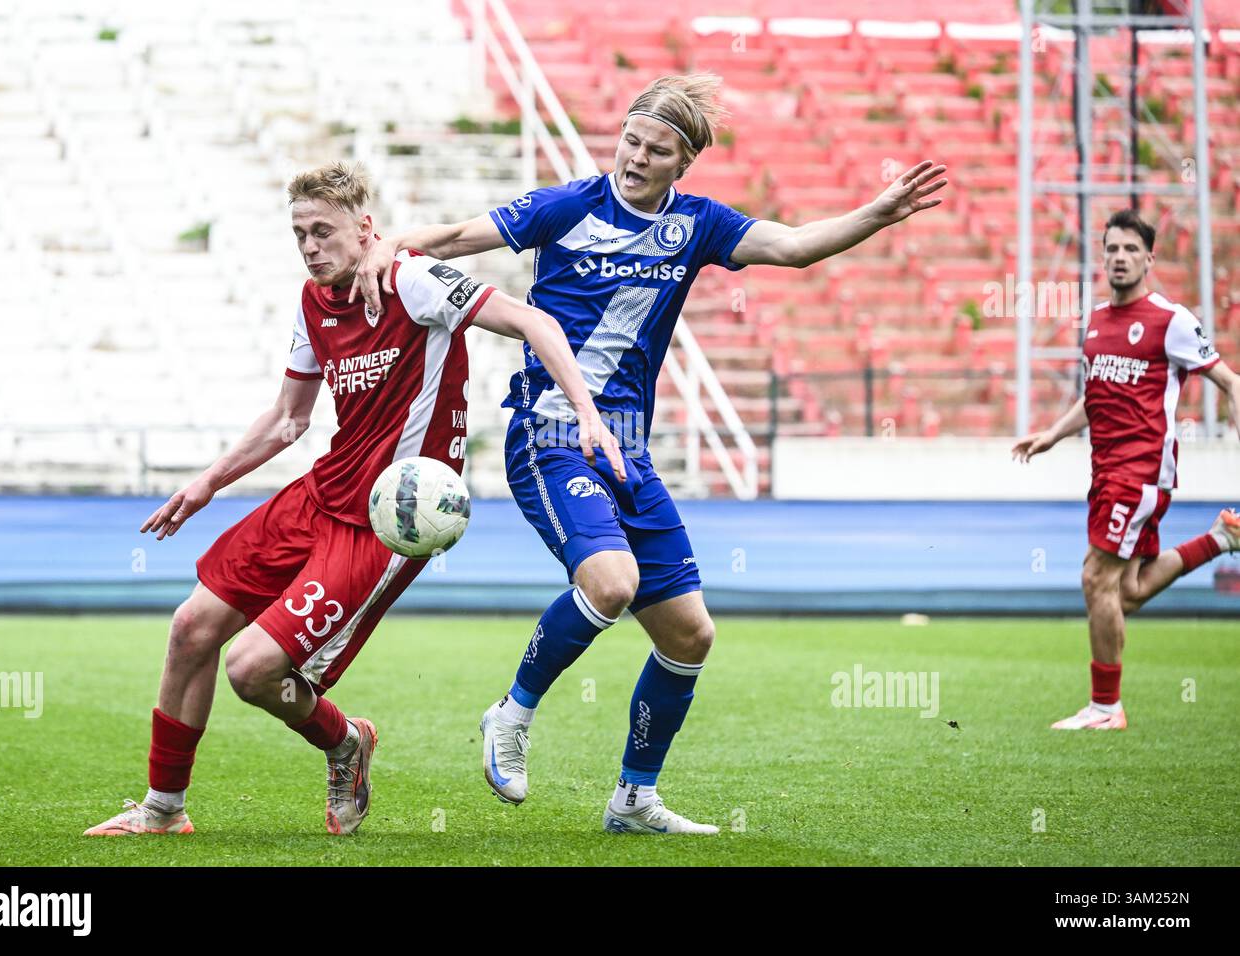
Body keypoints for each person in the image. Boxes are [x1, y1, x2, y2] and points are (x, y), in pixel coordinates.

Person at [351, 73, 949, 834]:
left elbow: (794, 247)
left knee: (690, 634)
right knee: (610, 580)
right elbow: (448, 238)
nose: (634, 157)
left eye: (655, 149)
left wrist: (877, 213)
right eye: (630, 139)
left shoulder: (698, 226)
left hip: (626, 452)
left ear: (682, 163)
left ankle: (634, 798)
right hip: (551, 435)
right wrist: (388, 246)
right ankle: (511, 712)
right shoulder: (568, 205)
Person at [84, 160, 622, 837]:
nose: (311, 247)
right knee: (191, 628)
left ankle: (344, 743)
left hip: (386, 521)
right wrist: (207, 482)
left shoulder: (413, 281)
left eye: (324, 231)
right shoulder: (314, 302)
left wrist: (586, 412)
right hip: (321, 494)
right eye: (300, 234)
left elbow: (531, 321)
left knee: (251, 672)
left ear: (366, 229)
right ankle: (163, 809)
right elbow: (289, 419)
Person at [1013, 208, 1240, 730]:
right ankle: (1220, 541)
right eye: (1112, 248)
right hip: (1105, 471)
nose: (1119, 257)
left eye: (1130, 250)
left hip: (1139, 474)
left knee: (1096, 579)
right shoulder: (1094, 322)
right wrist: (1052, 434)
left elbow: (1229, 380)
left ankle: (1105, 707)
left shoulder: (1171, 321)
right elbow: (1095, 396)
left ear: (1148, 258)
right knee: (1126, 591)